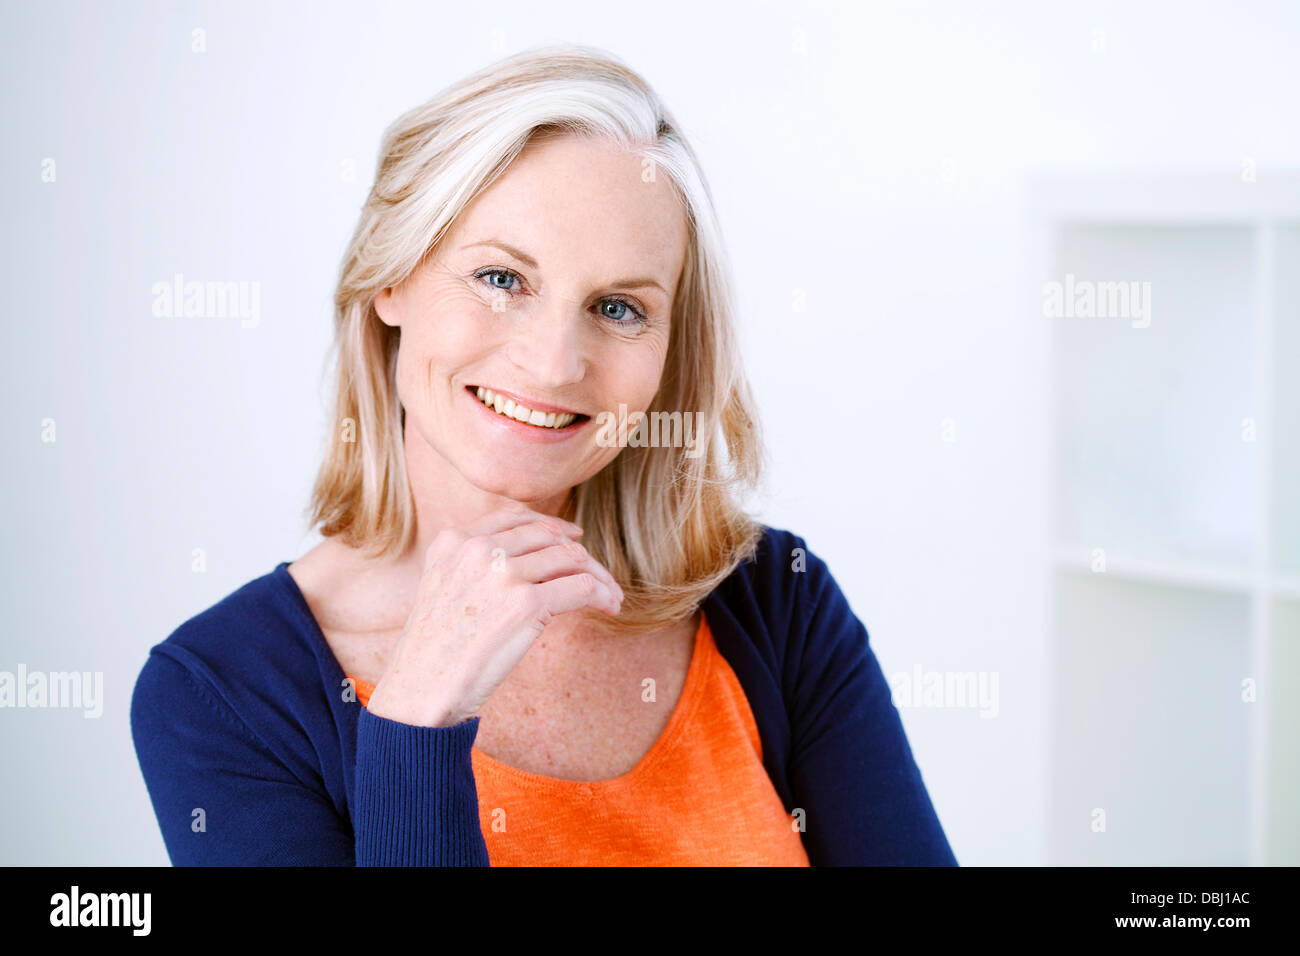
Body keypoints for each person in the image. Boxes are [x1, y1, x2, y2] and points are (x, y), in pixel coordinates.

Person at [130, 43, 957, 866]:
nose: (557, 361)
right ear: (391, 280)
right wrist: (415, 724)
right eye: (501, 279)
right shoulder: (220, 693)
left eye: (617, 306)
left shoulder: (776, 603)